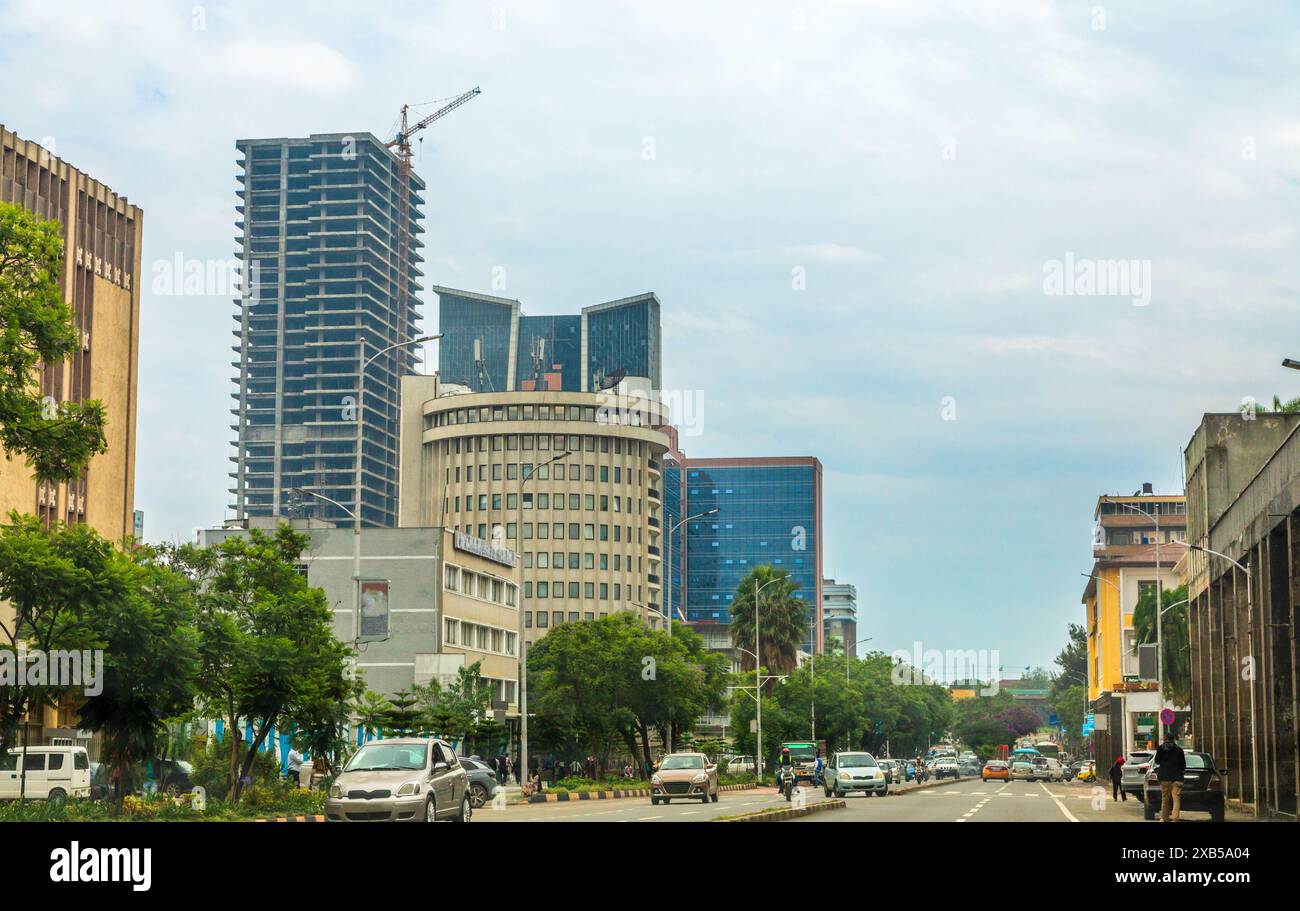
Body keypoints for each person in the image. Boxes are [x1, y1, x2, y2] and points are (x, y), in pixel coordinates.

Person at [1153, 731, 1186, 822]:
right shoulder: (1179, 750)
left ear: (1164, 739)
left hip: (1164, 777)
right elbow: (1183, 764)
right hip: (1177, 778)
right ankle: (1175, 818)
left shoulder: (1160, 749)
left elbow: (1157, 761)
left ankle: (1164, 818)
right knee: (1176, 798)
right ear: (1173, 739)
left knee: (1165, 798)